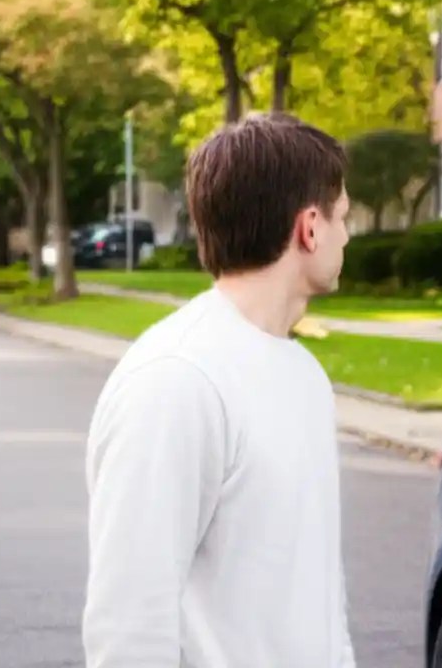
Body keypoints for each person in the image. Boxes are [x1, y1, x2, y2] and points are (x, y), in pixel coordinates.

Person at [82, 113, 355, 667]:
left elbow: (315, 590)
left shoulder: (303, 375)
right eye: (342, 217)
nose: (347, 234)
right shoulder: (175, 381)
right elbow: (129, 622)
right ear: (309, 227)